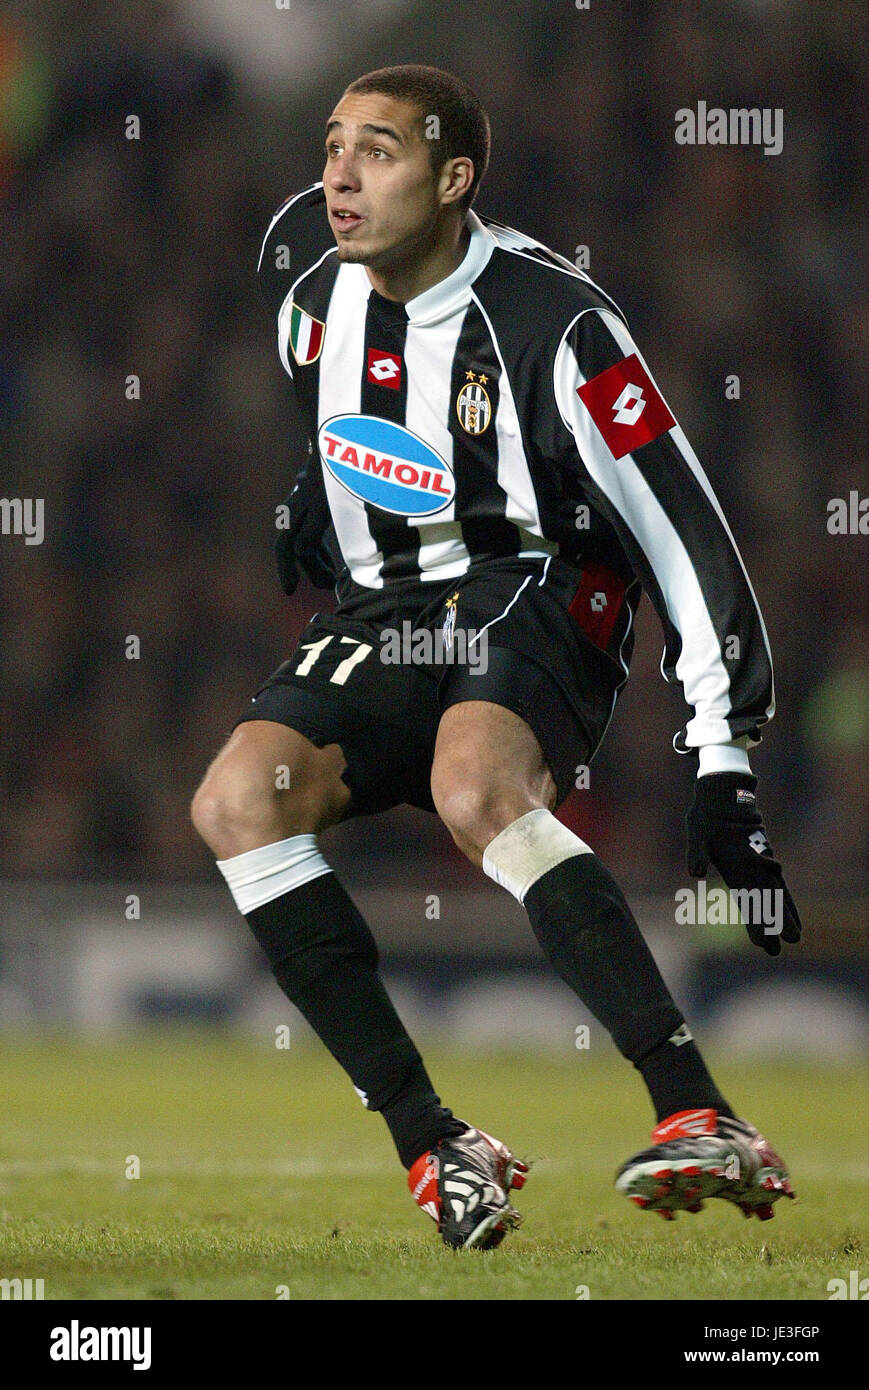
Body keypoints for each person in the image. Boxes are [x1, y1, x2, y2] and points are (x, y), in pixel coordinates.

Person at [190, 64, 801, 1250]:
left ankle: (698, 1112)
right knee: (233, 802)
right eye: (329, 147)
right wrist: (313, 494)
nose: (337, 174)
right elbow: (362, 431)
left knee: (475, 787)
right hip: (389, 603)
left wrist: (722, 755)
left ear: (454, 177)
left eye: (376, 150)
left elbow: (682, 528)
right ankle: (435, 1143)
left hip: (540, 584)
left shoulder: (557, 323)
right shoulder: (310, 306)